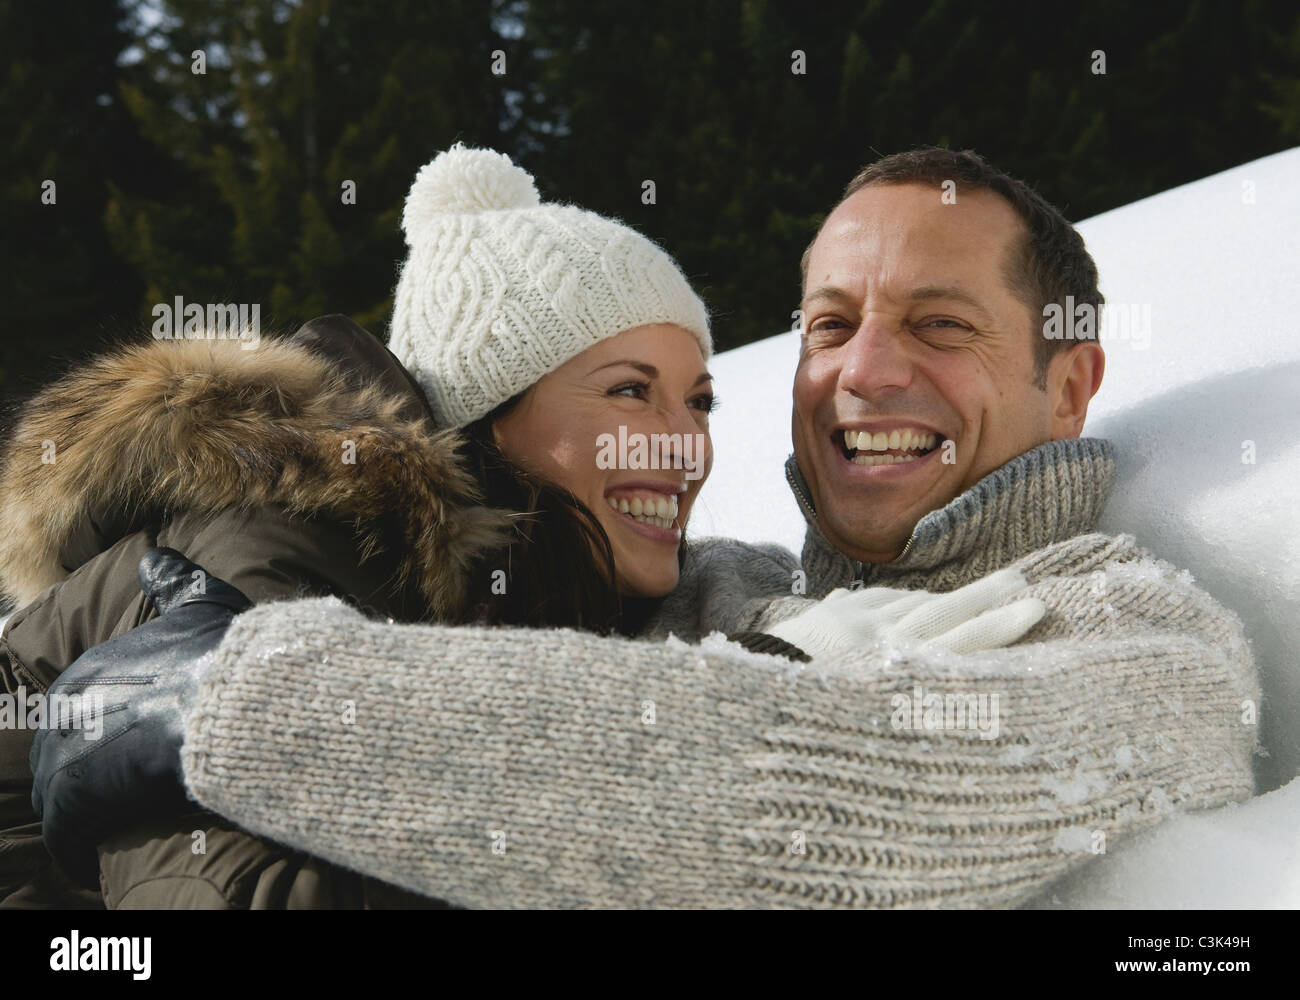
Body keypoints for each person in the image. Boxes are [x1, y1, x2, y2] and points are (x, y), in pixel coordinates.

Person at [29, 148, 1258, 908]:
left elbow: (850, 803)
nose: (861, 373)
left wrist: (239, 703)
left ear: (1070, 384)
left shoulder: (1140, 635)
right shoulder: (704, 584)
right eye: (828, 326)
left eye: (939, 324)